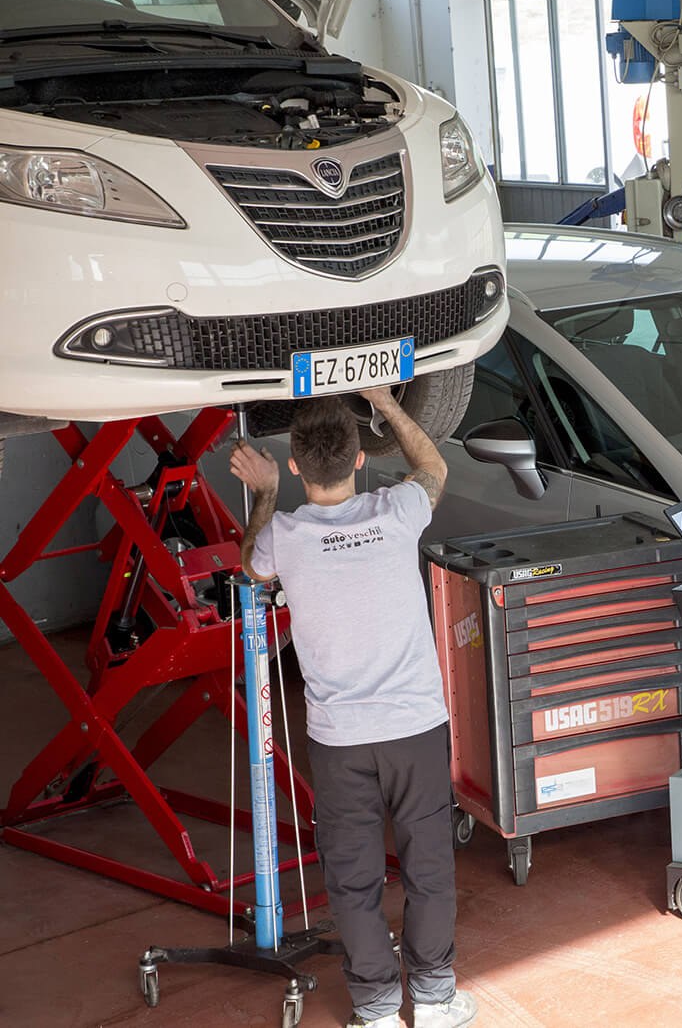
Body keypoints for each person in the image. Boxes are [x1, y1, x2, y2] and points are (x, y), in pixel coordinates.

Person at [230, 390, 477, 1028]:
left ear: (294, 466)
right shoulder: (398, 511)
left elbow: (249, 569)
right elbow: (435, 467)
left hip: (341, 740)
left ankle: (374, 1009)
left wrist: (261, 494)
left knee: (353, 877)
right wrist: (386, 403)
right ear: (361, 458)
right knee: (429, 867)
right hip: (415, 728)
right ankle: (434, 998)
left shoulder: (283, 538)